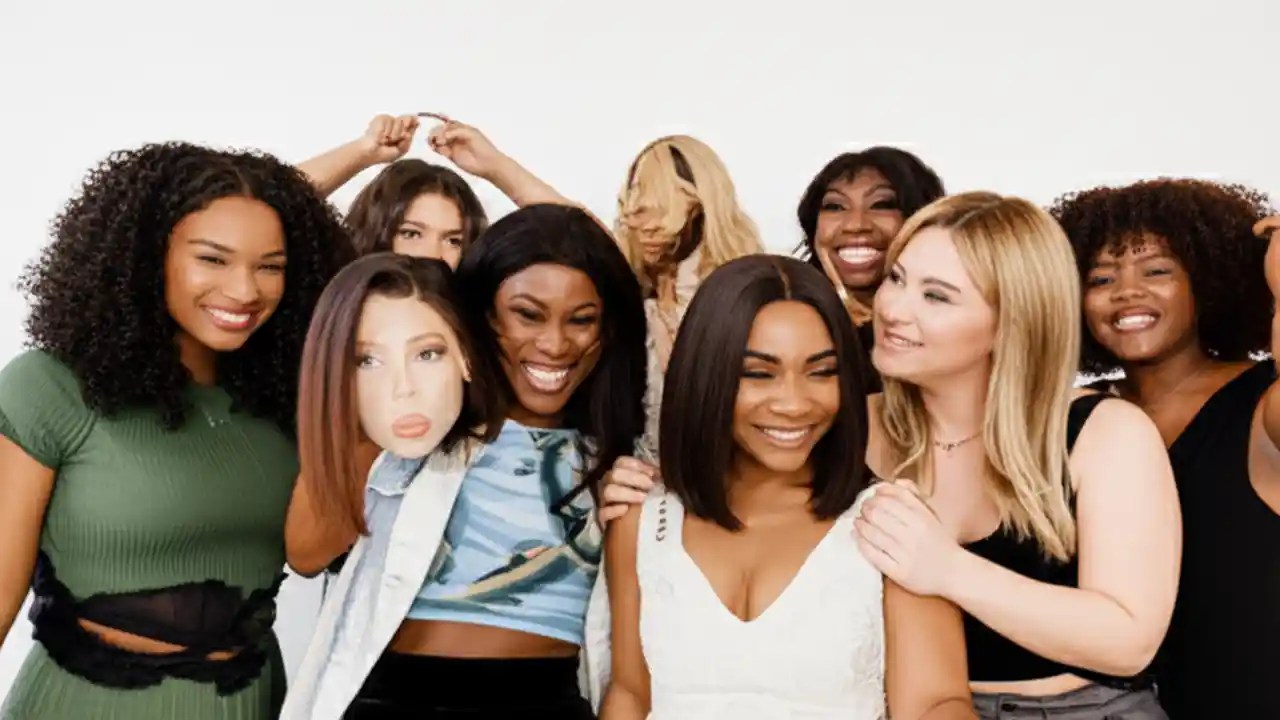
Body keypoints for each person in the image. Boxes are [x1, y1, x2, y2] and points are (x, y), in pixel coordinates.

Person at [0, 142, 352, 719]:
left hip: (252, 704)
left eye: (271, 267)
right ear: (143, 257)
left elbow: (315, 555)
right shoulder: (50, 388)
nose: (244, 290)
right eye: (212, 260)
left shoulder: (289, 401)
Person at [282, 204, 649, 718]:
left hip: (545, 700)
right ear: (479, 317)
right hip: (393, 698)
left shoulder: (619, 464)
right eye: (527, 314)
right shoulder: (420, 437)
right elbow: (306, 553)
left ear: (608, 330)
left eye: (582, 320)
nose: (554, 343)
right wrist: (370, 421)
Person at [601, 254, 975, 719]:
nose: (794, 403)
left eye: (821, 372)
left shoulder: (894, 523)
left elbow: (937, 705)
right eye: (759, 373)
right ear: (706, 375)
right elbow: (629, 694)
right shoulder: (640, 522)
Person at [853, 192, 1180, 719]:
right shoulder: (848, 427)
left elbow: (1129, 640)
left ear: (1010, 322)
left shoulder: (1104, 433)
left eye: (936, 296)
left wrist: (947, 569)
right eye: (897, 278)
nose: (893, 309)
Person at [1051, 179, 1280, 718]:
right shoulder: (1074, 418)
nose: (1127, 292)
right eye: (1101, 278)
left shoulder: (1262, 400)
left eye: (1156, 271)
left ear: (1208, 282)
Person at [613, 135, 763, 454]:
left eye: (663, 214)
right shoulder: (638, 294)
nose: (648, 231)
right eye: (638, 213)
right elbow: (575, 228)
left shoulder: (745, 295)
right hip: (642, 483)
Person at [298, 113, 572, 266]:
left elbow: (588, 244)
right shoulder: (331, 311)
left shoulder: (482, 326)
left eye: (454, 241)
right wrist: (362, 152)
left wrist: (497, 166)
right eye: (411, 233)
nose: (433, 255)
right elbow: (263, 205)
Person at [795, 147, 946, 390]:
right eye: (835, 206)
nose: (855, 225)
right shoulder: (784, 315)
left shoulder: (952, 324)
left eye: (882, 204)